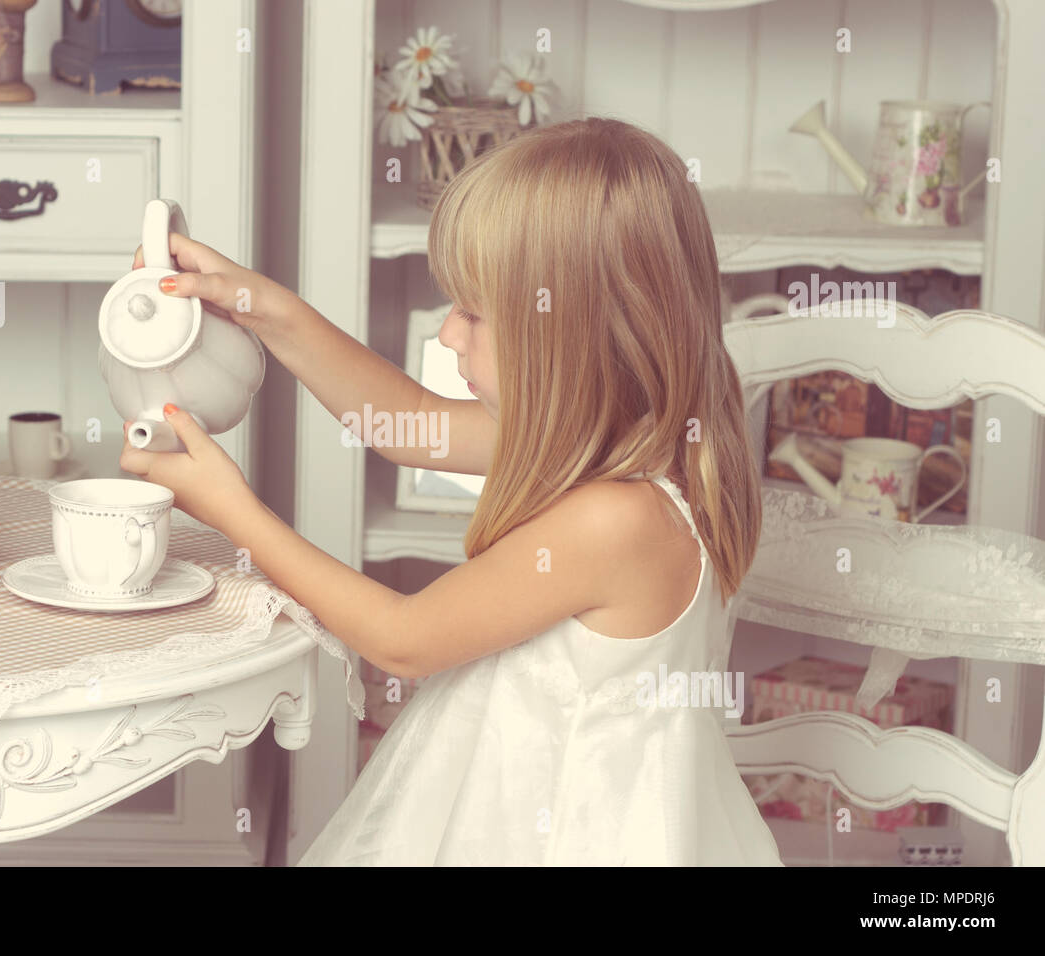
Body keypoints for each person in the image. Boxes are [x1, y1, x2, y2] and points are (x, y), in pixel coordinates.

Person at [120, 117, 782, 866]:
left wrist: (233, 510)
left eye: (473, 313)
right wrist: (257, 306)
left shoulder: (617, 518)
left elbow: (404, 641)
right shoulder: (615, 434)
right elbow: (407, 424)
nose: (446, 337)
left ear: (565, 331)